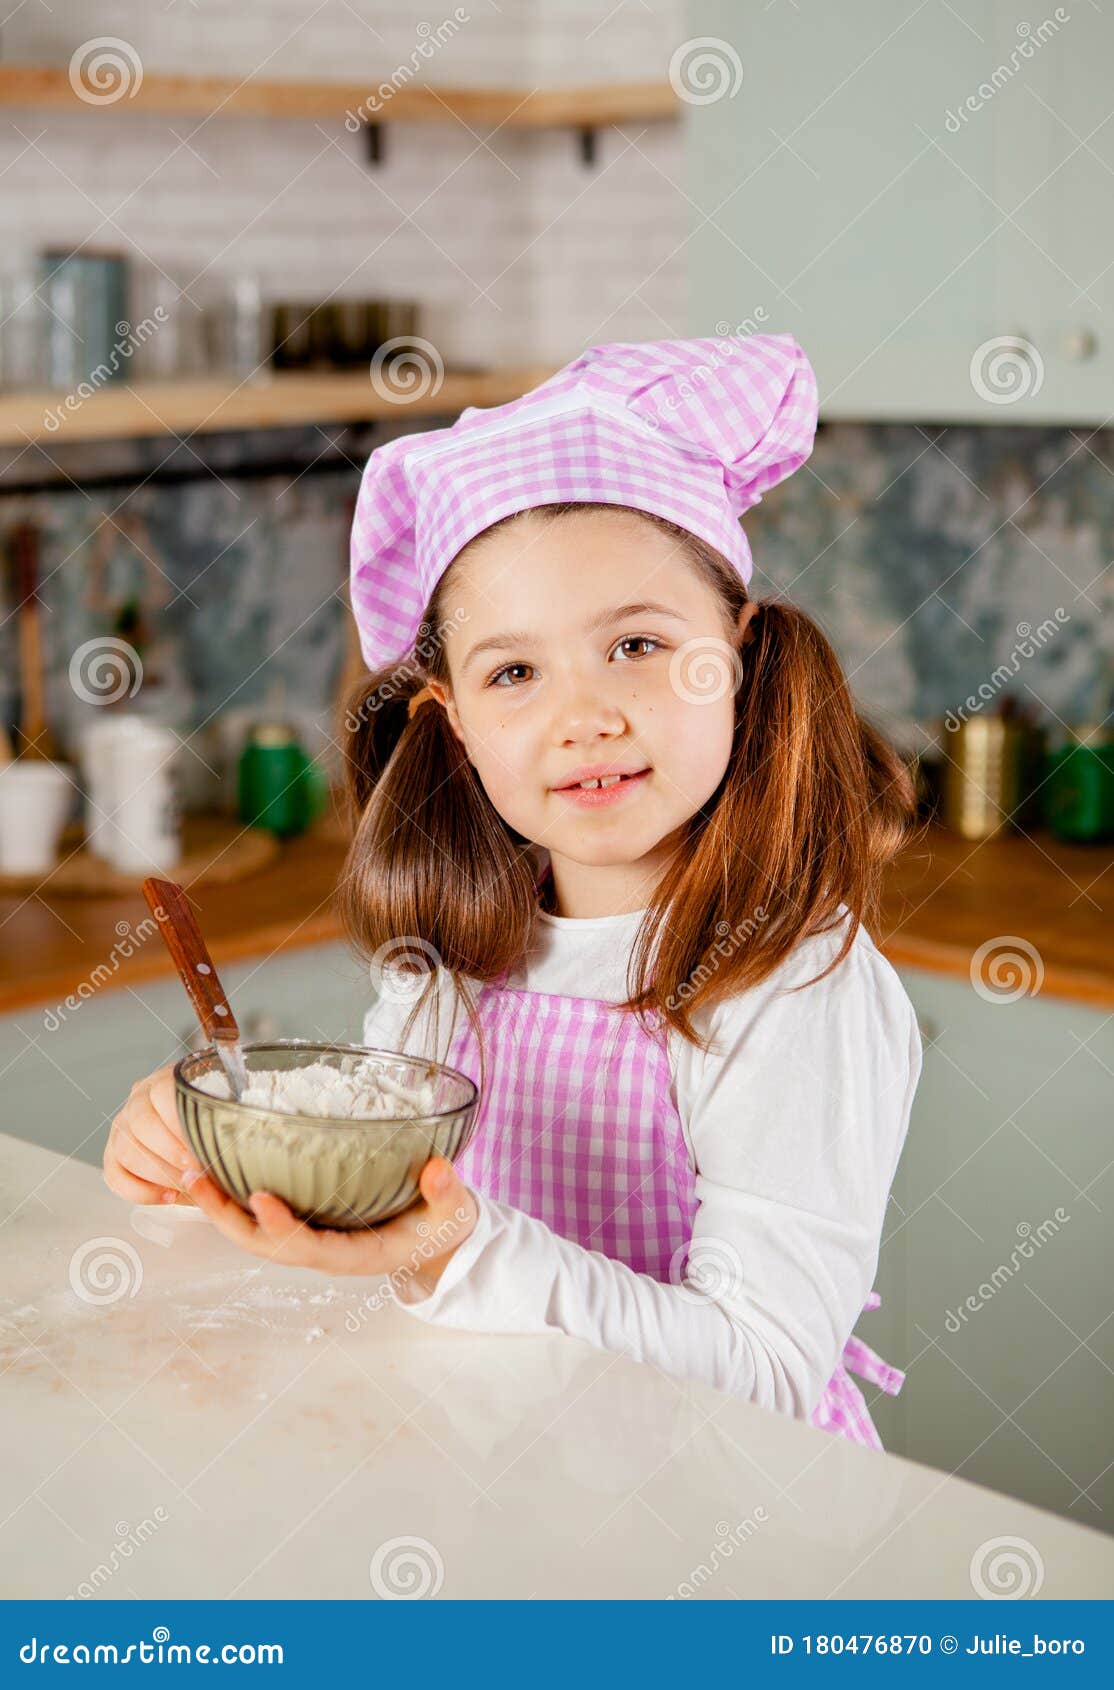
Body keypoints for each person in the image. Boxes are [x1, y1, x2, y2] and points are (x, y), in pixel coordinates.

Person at [104, 334, 922, 1451]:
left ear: (733, 655)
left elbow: (768, 1376)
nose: (581, 716)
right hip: (494, 1480)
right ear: (452, 715)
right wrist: (222, 1145)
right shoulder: (452, 957)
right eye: (514, 673)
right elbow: (385, 1223)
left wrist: (451, 1249)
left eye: (635, 642)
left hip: (712, 1538)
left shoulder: (784, 982)